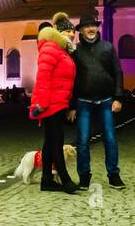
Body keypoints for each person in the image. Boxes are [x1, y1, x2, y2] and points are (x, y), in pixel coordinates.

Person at [68, 13, 125, 189]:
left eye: (94, 25)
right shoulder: (75, 51)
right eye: (87, 26)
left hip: (106, 101)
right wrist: (71, 106)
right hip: (83, 102)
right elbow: (71, 78)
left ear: (97, 28)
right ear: (81, 31)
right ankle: (84, 177)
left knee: (110, 138)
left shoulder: (107, 47)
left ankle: (114, 175)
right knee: (83, 141)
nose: (91, 29)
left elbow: (118, 73)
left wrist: (118, 98)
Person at [30, 12, 79, 194]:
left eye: (73, 31)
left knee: (50, 142)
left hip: (58, 102)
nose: (72, 35)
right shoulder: (51, 47)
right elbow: (43, 77)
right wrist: (41, 104)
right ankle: (65, 179)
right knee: (56, 141)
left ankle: (47, 180)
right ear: (58, 32)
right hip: (49, 103)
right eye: (67, 31)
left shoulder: (61, 50)